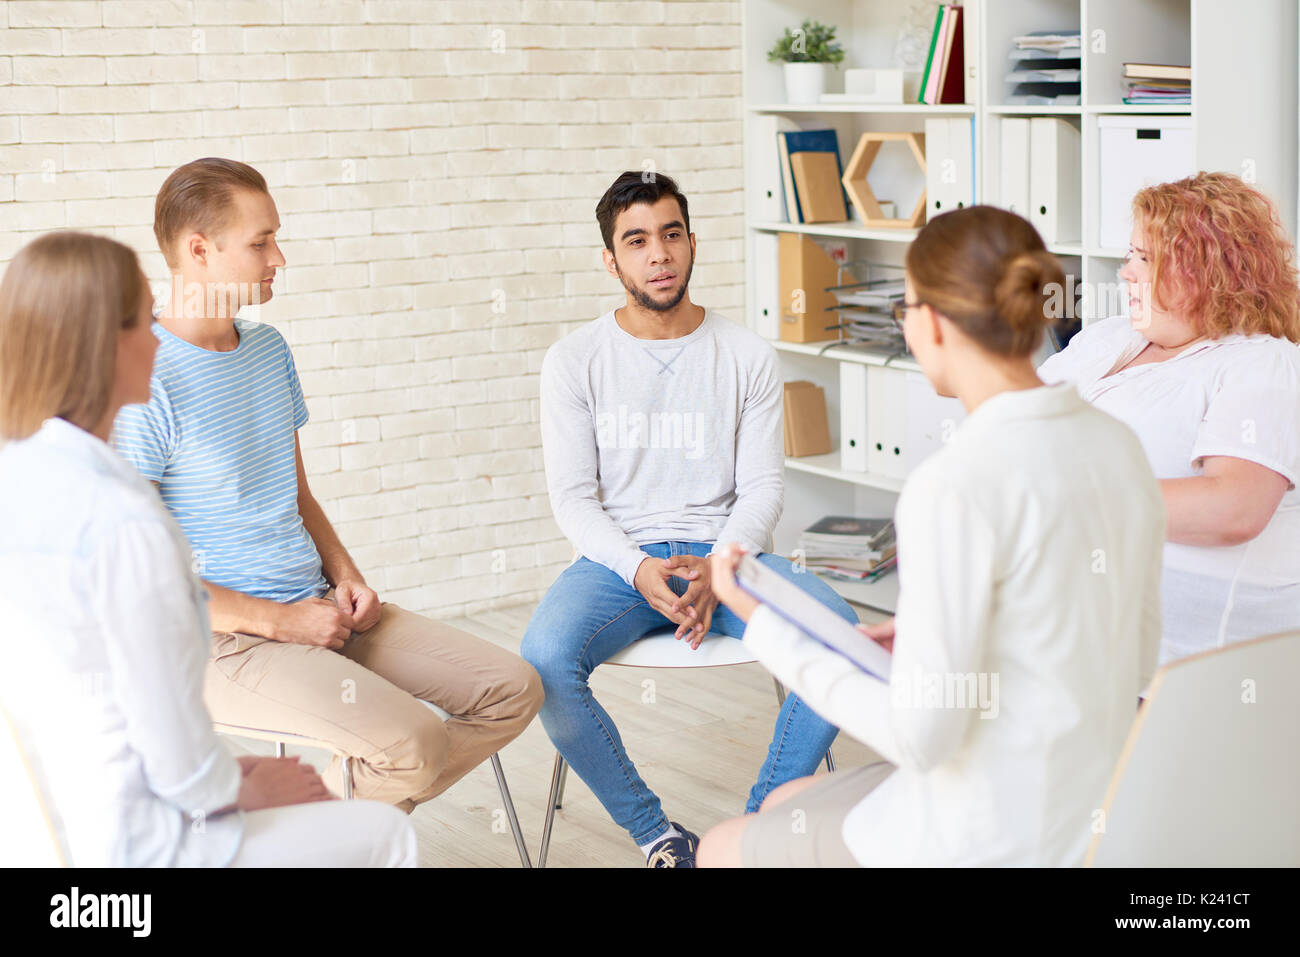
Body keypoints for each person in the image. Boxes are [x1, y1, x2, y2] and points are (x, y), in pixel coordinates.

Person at [696, 206, 1165, 867]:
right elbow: (1134, 653)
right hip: (1089, 809)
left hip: (986, 833)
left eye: (905, 307)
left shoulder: (953, 483)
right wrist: (923, 631)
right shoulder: (1118, 445)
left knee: (719, 847)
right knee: (783, 800)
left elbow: (920, 739)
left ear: (935, 323)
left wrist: (765, 626)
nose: (906, 324)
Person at [111, 158, 543, 812]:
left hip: (317, 605)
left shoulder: (267, 349)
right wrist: (283, 623)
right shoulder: (145, 379)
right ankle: (340, 826)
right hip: (222, 644)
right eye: (260, 241)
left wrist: (348, 578)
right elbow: (140, 574)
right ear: (199, 250)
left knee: (512, 686)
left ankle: (329, 827)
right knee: (414, 741)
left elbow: (298, 495)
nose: (278, 256)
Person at [0, 231, 416, 866]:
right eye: (145, 319)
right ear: (107, 347)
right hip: (140, 845)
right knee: (386, 836)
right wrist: (242, 785)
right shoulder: (124, 524)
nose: (158, 337)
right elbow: (162, 727)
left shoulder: (23, 477)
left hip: (43, 829)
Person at [521, 171, 859, 868]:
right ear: (611, 261)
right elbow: (573, 498)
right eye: (637, 241)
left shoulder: (745, 354)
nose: (659, 254)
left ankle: (755, 831)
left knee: (840, 636)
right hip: (621, 561)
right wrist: (638, 567)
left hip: (730, 556)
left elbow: (764, 485)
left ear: (693, 242)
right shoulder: (574, 361)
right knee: (546, 660)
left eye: (671, 234)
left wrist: (721, 561)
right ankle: (659, 835)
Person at [1040, 171, 1300, 666]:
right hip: (1067, 634)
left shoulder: (1260, 364)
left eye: (1146, 259)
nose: (1127, 274)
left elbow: (1234, 509)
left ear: (1213, 271)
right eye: (1129, 256)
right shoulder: (1110, 337)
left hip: (1183, 666)